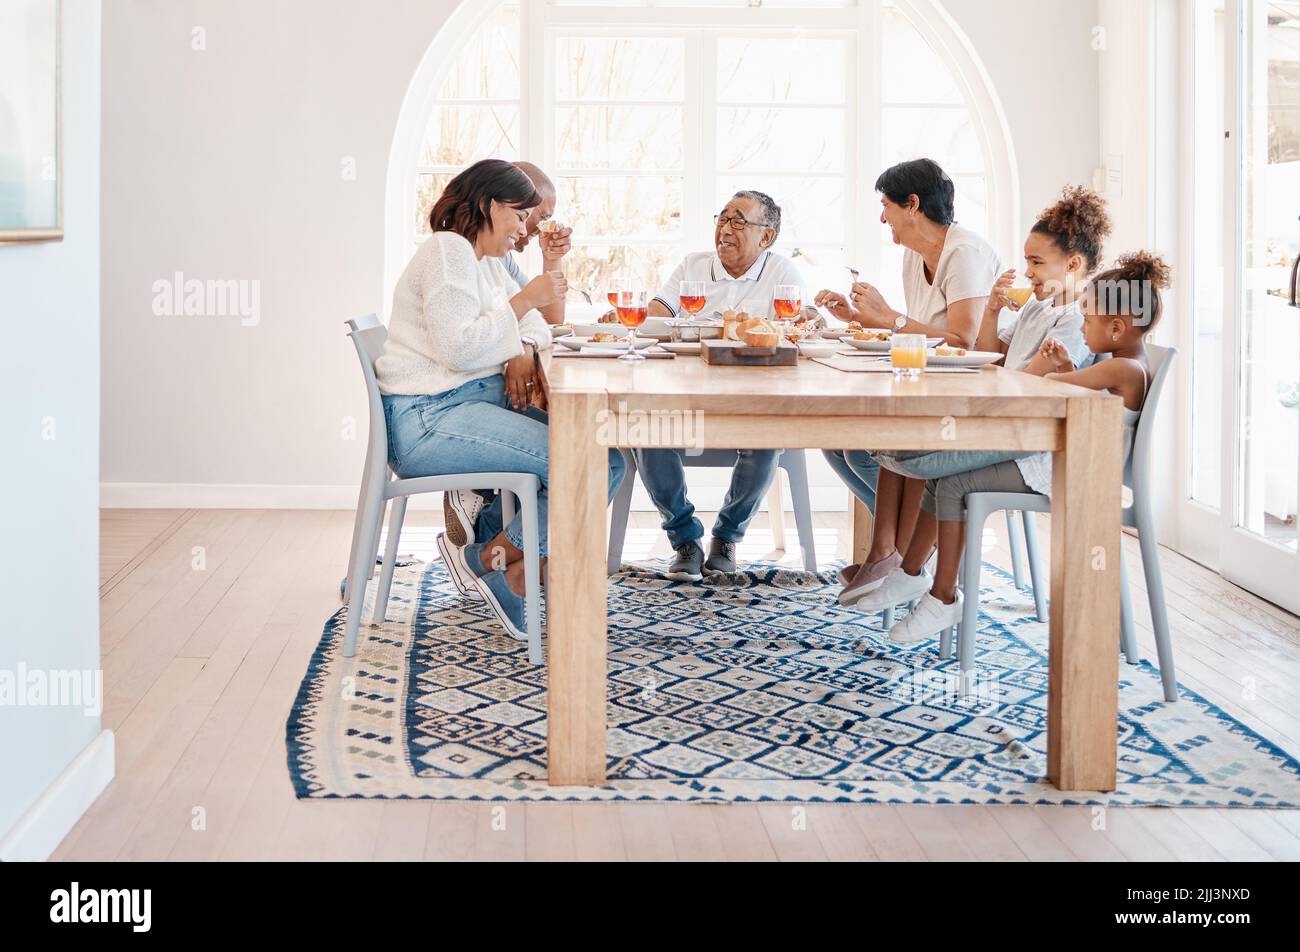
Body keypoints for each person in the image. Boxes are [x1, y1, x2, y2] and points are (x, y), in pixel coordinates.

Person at [376, 158, 625, 640]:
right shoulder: (448, 251)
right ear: (490, 205)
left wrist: (525, 322)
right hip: (430, 417)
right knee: (586, 464)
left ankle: (488, 552)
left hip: (461, 405)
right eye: (519, 214)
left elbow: (536, 327)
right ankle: (513, 573)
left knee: (607, 460)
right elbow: (460, 347)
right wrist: (524, 301)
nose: (524, 227)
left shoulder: (484, 262)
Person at [841, 185, 1113, 608]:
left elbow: (1031, 384)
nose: (1027, 272)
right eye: (1027, 261)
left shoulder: (1078, 318)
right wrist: (991, 309)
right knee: (897, 447)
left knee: (915, 456)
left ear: (1074, 264)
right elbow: (991, 355)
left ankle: (909, 569)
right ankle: (907, 570)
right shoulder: (1039, 308)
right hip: (1007, 424)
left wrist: (1002, 374)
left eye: (1037, 262)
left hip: (1031, 443)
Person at [884, 252, 1170, 643]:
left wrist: (1047, 369)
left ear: (1117, 328)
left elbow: (1051, 389)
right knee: (946, 479)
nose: (1083, 327)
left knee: (951, 483)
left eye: (1088, 320)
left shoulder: (1122, 368)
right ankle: (917, 578)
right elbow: (1076, 390)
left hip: (1071, 473)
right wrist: (1064, 367)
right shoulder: (1127, 363)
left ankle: (941, 594)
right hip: (1071, 463)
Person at [815, 158, 1001, 601]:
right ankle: (903, 546)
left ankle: (898, 550)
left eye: (886, 205)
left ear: (912, 204)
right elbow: (916, 332)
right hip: (931, 387)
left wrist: (889, 318)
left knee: (885, 441)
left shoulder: (965, 252)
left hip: (972, 395)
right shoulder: (913, 256)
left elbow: (964, 340)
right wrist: (859, 317)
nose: (883, 217)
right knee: (839, 442)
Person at [635, 190, 812, 581]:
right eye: (722, 218)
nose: (725, 229)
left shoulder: (782, 272)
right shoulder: (693, 266)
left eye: (738, 221)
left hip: (755, 396)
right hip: (685, 391)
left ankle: (727, 538)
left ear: (766, 237)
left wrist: (810, 322)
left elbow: (806, 324)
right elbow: (656, 318)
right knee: (643, 426)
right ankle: (684, 538)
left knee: (767, 437)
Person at [501, 161, 574, 326]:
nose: (544, 227)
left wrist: (552, 257)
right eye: (543, 217)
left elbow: (550, 321)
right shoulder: (471, 253)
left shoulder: (504, 259)